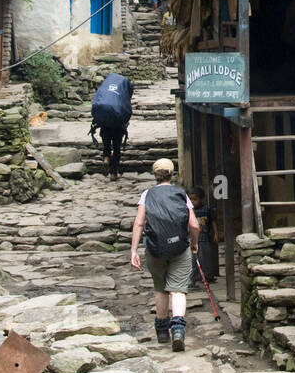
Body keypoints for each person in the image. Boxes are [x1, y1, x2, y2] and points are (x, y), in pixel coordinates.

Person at [131, 158, 199, 350]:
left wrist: (134, 250)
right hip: (180, 247)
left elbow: (139, 223)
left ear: (155, 174)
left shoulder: (147, 194)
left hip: (155, 248)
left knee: (160, 288)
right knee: (178, 289)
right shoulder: (181, 193)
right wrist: (194, 244)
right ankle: (178, 330)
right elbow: (194, 224)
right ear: (172, 173)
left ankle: (162, 331)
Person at [90, 72, 133, 181]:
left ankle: (106, 157)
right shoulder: (122, 92)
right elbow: (127, 109)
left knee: (106, 144)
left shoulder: (106, 88)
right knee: (116, 148)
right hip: (118, 126)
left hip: (105, 125)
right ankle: (113, 173)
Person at [187, 186, 220, 283]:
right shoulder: (189, 210)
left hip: (205, 239)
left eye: (195, 199)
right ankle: (194, 278)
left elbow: (213, 221)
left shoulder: (207, 209)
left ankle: (208, 277)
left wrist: (216, 234)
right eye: (190, 199)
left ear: (201, 199)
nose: (192, 201)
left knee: (206, 258)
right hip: (193, 239)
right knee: (194, 259)